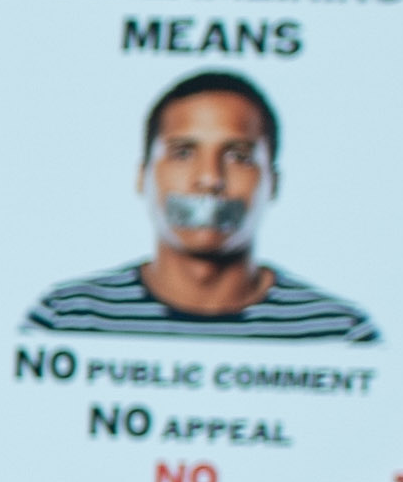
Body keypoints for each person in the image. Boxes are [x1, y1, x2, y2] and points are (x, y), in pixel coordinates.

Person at [20, 71, 375, 342]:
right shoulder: (66, 320)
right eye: (183, 153)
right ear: (143, 176)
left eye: (238, 156)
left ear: (273, 183)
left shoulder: (341, 335)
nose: (208, 178)